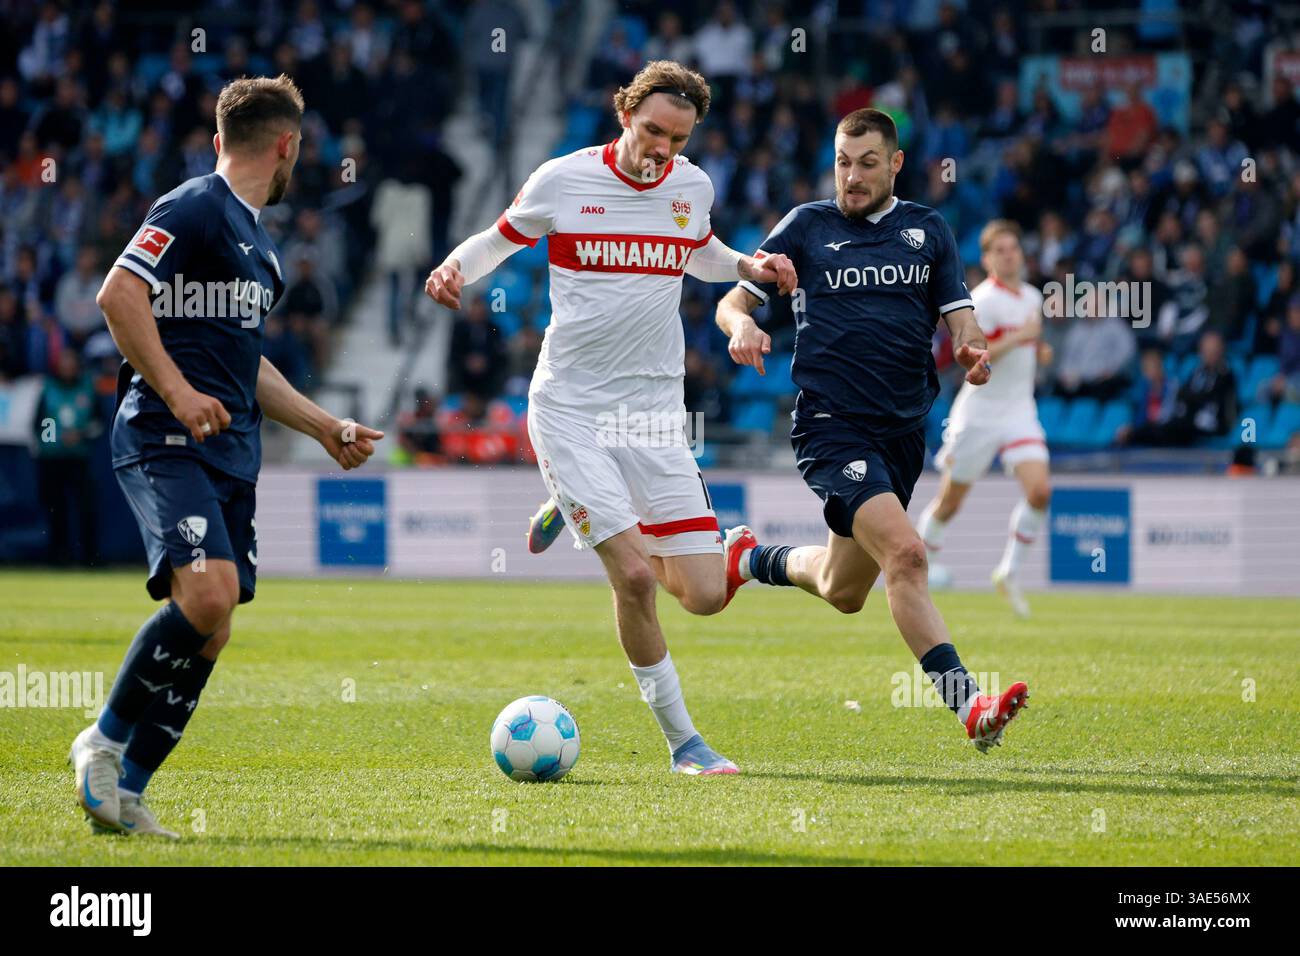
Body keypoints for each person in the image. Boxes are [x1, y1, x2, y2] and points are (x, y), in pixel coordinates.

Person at [424, 61, 797, 775]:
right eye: (653, 130)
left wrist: (749, 268)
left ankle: (578, 503)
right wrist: (454, 270)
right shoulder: (563, 180)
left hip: (653, 411)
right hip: (570, 407)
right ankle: (685, 744)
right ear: (624, 114)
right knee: (633, 577)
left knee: (705, 594)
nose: (663, 148)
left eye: (678, 139)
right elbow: (497, 238)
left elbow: (700, 254)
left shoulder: (692, 188)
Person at [71, 75, 384, 838]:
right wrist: (177, 392)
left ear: (221, 138)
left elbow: (245, 364)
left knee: (213, 625)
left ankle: (128, 793)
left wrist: (321, 426)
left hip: (230, 456)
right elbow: (118, 295)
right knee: (207, 598)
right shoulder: (194, 206)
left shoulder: (259, 250)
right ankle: (102, 742)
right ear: (288, 146)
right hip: (163, 437)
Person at [714, 108, 1029, 753]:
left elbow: (961, 318)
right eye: (841, 162)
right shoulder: (806, 228)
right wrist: (741, 325)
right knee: (908, 556)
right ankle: (972, 708)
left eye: (864, 164)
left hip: (904, 432)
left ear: (895, 164)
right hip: (832, 425)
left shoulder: (928, 231)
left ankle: (747, 558)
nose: (850, 178)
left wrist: (972, 349)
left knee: (843, 588)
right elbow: (734, 297)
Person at [916, 220, 1053, 617]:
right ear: (989, 258)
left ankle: (1008, 573)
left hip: (1019, 411)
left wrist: (1038, 348)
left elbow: (1031, 343)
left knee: (1040, 492)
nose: (1010, 255)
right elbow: (976, 353)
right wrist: (1022, 336)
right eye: (1001, 250)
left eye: (1014, 248)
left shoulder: (1030, 296)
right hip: (978, 413)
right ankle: (919, 571)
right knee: (948, 503)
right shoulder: (981, 300)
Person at [1118, 331, 1237, 447]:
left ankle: (1133, 435)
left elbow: (1204, 397)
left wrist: (1188, 397)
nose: (1209, 354)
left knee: (1168, 429)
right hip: (1189, 422)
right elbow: (1185, 393)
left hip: (1208, 427)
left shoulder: (1226, 375)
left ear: (1221, 350)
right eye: (1206, 350)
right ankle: (1132, 435)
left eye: (1213, 350)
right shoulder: (1197, 372)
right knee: (1164, 427)